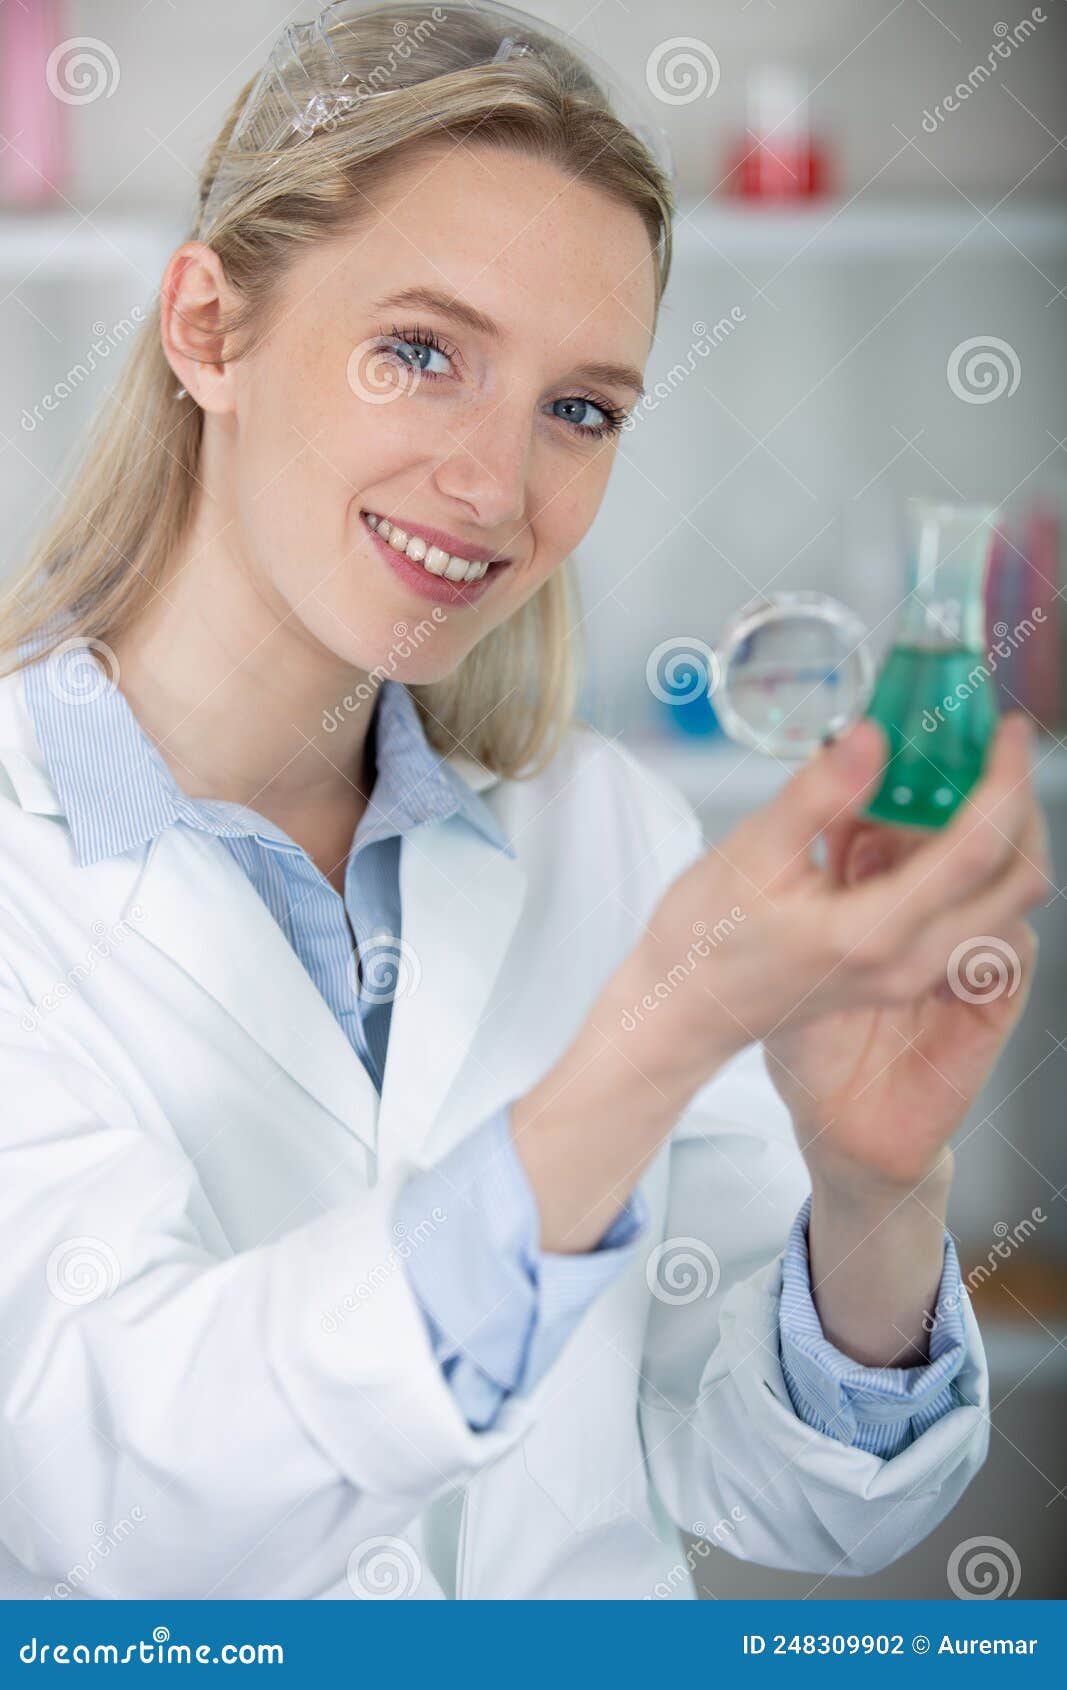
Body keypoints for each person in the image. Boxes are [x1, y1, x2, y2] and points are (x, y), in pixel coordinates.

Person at [0, 0, 1049, 1601]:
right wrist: (647, 1045)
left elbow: (792, 1494)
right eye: (421, 351)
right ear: (208, 328)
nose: (499, 487)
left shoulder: (604, 830)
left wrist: (878, 1186)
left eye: (581, 409)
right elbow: (122, 1496)